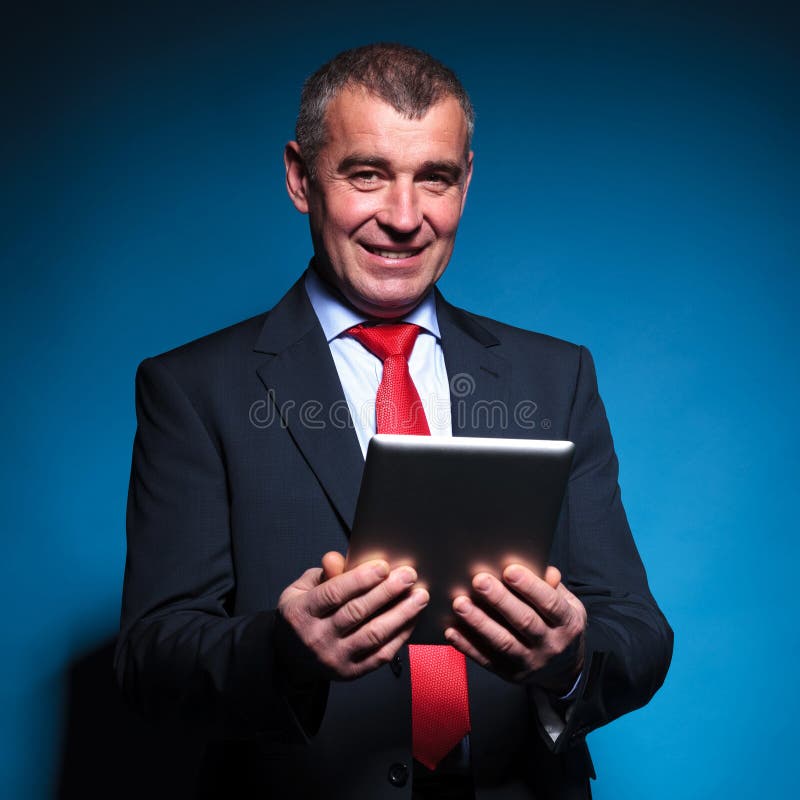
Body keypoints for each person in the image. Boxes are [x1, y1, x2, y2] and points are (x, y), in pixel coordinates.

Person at [115, 43, 673, 799]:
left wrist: (570, 660)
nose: (404, 219)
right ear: (300, 177)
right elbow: (151, 659)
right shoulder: (192, 388)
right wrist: (281, 651)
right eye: (367, 173)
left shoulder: (557, 375)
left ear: (465, 183)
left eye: (434, 178)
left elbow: (637, 632)